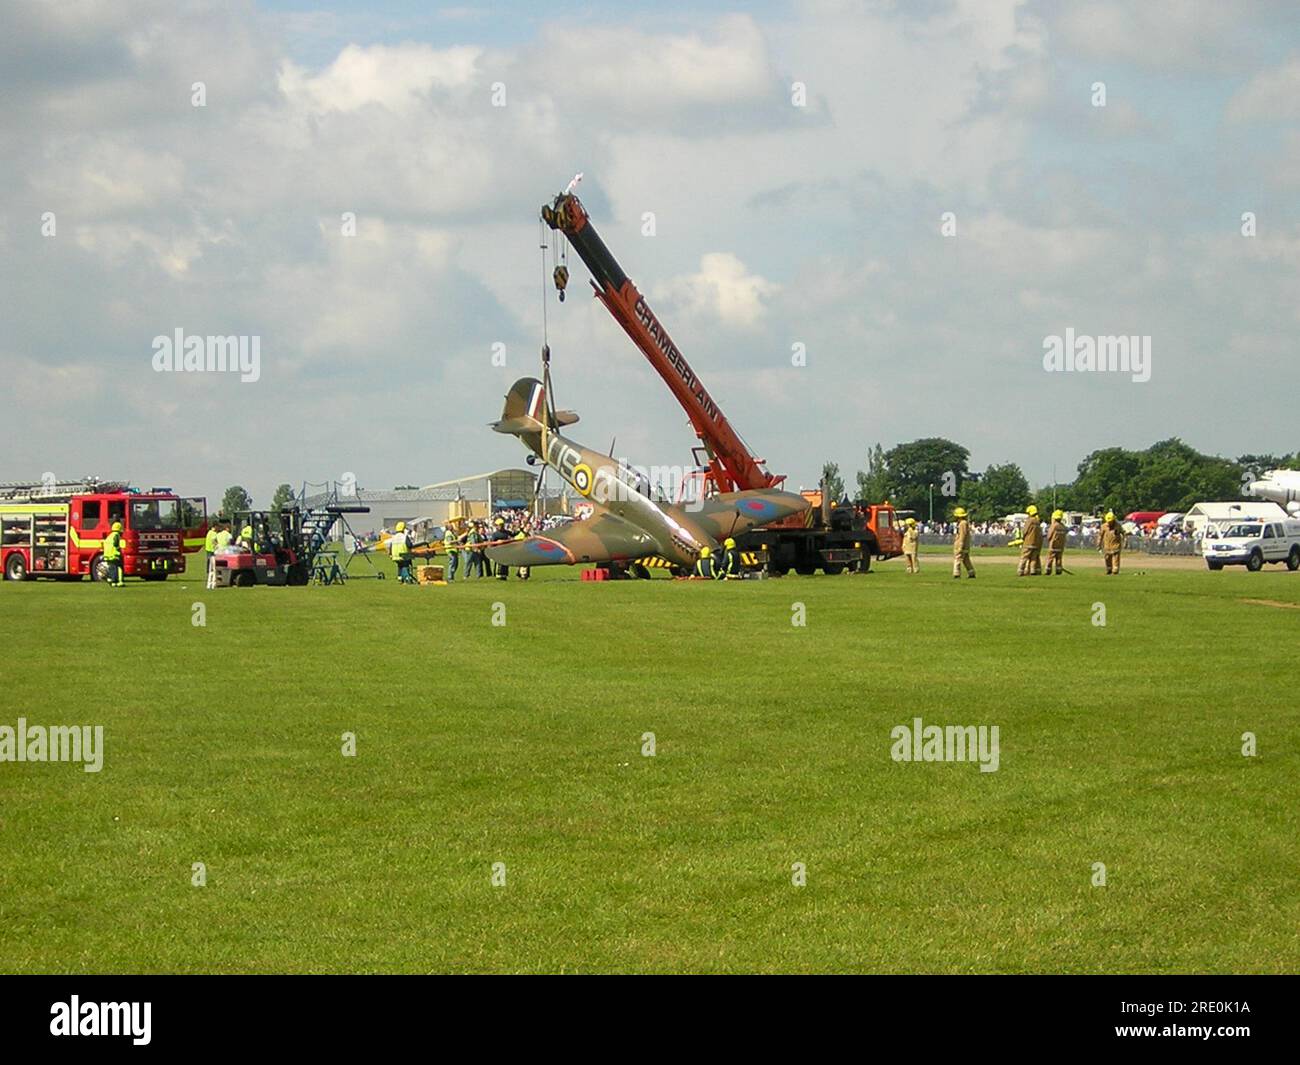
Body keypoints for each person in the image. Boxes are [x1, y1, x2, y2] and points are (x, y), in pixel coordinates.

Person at [1018, 504, 1043, 576]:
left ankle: (1020, 571)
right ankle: (1033, 571)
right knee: (1033, 558)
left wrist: (1022, 537)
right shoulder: (1037, 521)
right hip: (1036, 543)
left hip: (1028, 542)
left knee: (1024, 557)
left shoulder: (1029, 521)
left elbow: (1025, 531)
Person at [1099, 511, 1125, 575]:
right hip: (1107, 546)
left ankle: (1115, 570)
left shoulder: (1118, 525)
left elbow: (1123, 533)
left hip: (1116, 545)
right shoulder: (1103, 526)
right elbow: (1100, 536)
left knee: (1116, 558)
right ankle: (1109, 569)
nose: (1109, 522)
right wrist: (1098, 545)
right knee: (1107, 558)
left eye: (1111, 521)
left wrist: (1125, 540)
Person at [952, 506, 975, 579]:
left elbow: (962, 535)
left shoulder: (962, 523)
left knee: (957, 558)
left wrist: (960, 545)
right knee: (966, 560)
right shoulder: (963, 523)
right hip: (965, 544)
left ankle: (956, 573)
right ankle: (971, 573)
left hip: (961, 544)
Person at [1045, 510, 1068, 575]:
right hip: (1061, 545)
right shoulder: (1063, 526)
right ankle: (1058, 570)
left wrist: (1049, 539)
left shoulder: (1054, 526)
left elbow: (1049, 535)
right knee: (1059, 559)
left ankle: (1048, 570)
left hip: (1053, 545)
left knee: (1050, 558)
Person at [103, 520, 125, 587]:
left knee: (111, 568)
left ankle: (111, 580)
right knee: (118, 568)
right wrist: (119, 551)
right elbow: (116, 544)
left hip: (107, 555)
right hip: (114, 554)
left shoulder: (110, 536)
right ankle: (119, 582)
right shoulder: (116, 535)